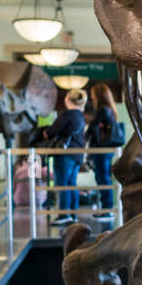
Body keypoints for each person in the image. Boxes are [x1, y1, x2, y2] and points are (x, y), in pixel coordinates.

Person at [45, 90, 88, 226]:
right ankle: (72, 214)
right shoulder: (80, 116)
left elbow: (51, 131)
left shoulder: (67, 114)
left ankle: (64, 214)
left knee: (62, 184)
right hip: (77, 154)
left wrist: (45, 133)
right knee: (71, 183)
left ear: (68, 98)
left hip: (65, 154)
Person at [87, 83, 123, 222]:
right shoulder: (110, 109)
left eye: (93, 94)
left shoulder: (102, 109)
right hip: (107, 149)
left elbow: (92, 126)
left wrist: (95, 125)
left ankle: (107, 210)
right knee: (104, 177)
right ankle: (106, 209)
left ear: (98, 95)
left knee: (102, 178)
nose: (91, 97)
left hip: (101, 149)